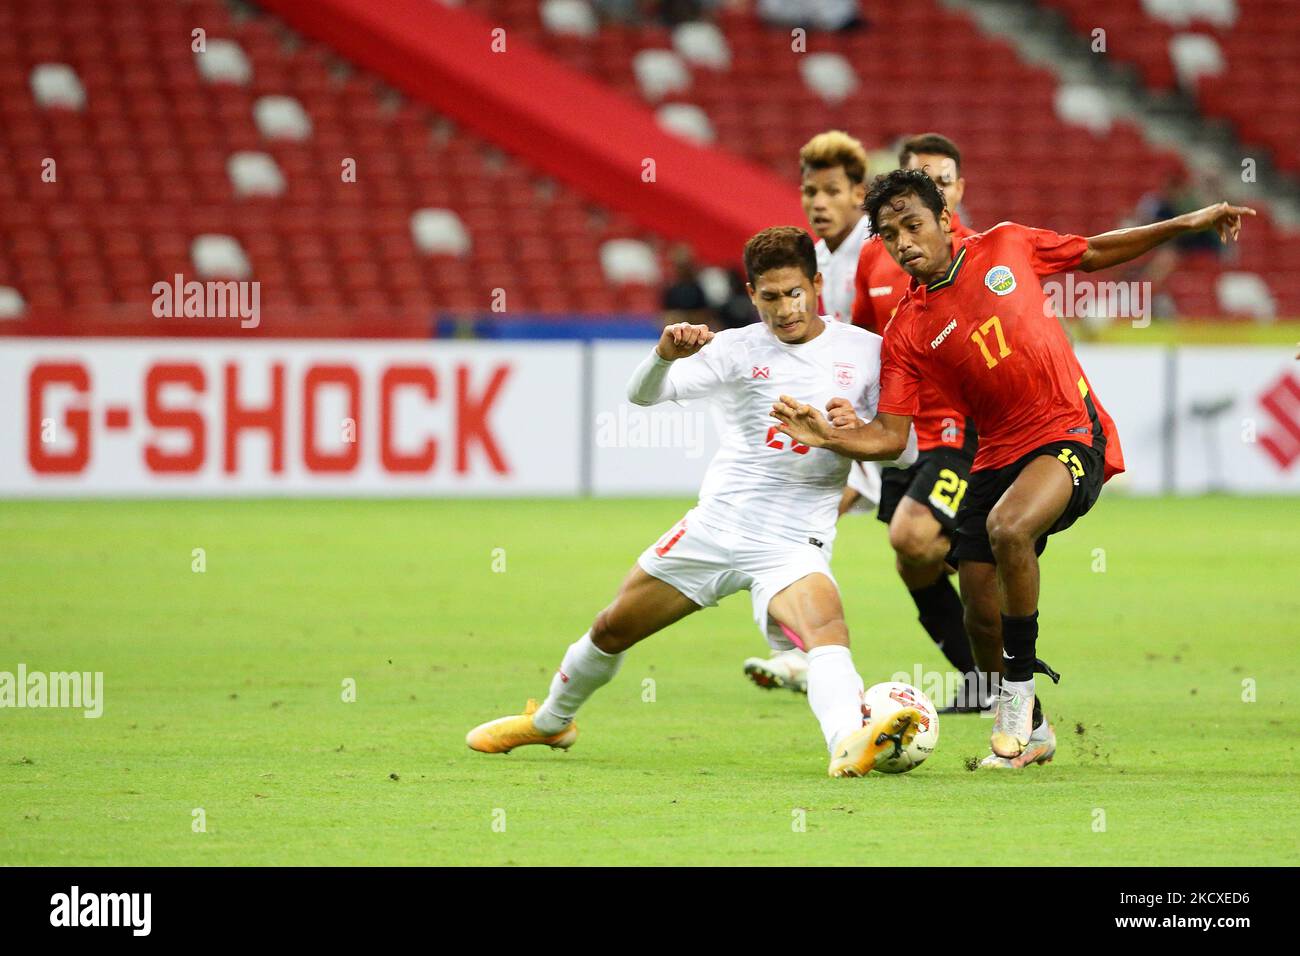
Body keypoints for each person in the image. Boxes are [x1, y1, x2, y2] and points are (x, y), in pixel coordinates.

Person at [771, 168, 1253, 768]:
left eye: (913, 225)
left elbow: (1096, 251)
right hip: (995, 453)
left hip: (1070, 431)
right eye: (890, 235)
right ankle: (1040, 732)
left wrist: (1187, 222)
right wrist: (828, 437)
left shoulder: (1006, 245)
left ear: (945, 220)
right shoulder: (906, 331)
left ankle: (1017, 694)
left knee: (1008, 529)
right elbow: (892, 438)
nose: (903, 243)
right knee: (978, 609)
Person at [467, 226, 923, 778]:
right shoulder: (735, 348)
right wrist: (662, 356)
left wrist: (848, 434)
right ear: (752, 294)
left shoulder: (866, 352)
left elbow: (903, 452)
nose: (785, 309)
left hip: (791, 540)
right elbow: (642, 394)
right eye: (770, 296)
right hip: (716, 526)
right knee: (612, 627)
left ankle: (849, 744)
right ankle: (550, 723)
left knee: (827, 630)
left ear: (817, 284)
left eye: (795, 292)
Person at [740, 130, 879, 695]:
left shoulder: (877, 252)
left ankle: (808, 651)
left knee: (795, 528)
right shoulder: (815, 260)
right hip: (843, 423)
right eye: (809, 192)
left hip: (885, 418)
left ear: (858, 194)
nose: (817, 204)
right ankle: (805, 651)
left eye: (830, 191)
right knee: (792, 527)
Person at [850, 134, 982, 712]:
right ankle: (982, 678)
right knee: (913, 559)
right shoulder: (873, 256)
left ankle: (1010, 673)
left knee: (918, 537)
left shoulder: (979, 254)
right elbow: (862, 343)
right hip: (900, 434)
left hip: (960, 427)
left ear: (953, 194)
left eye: (944, 179)